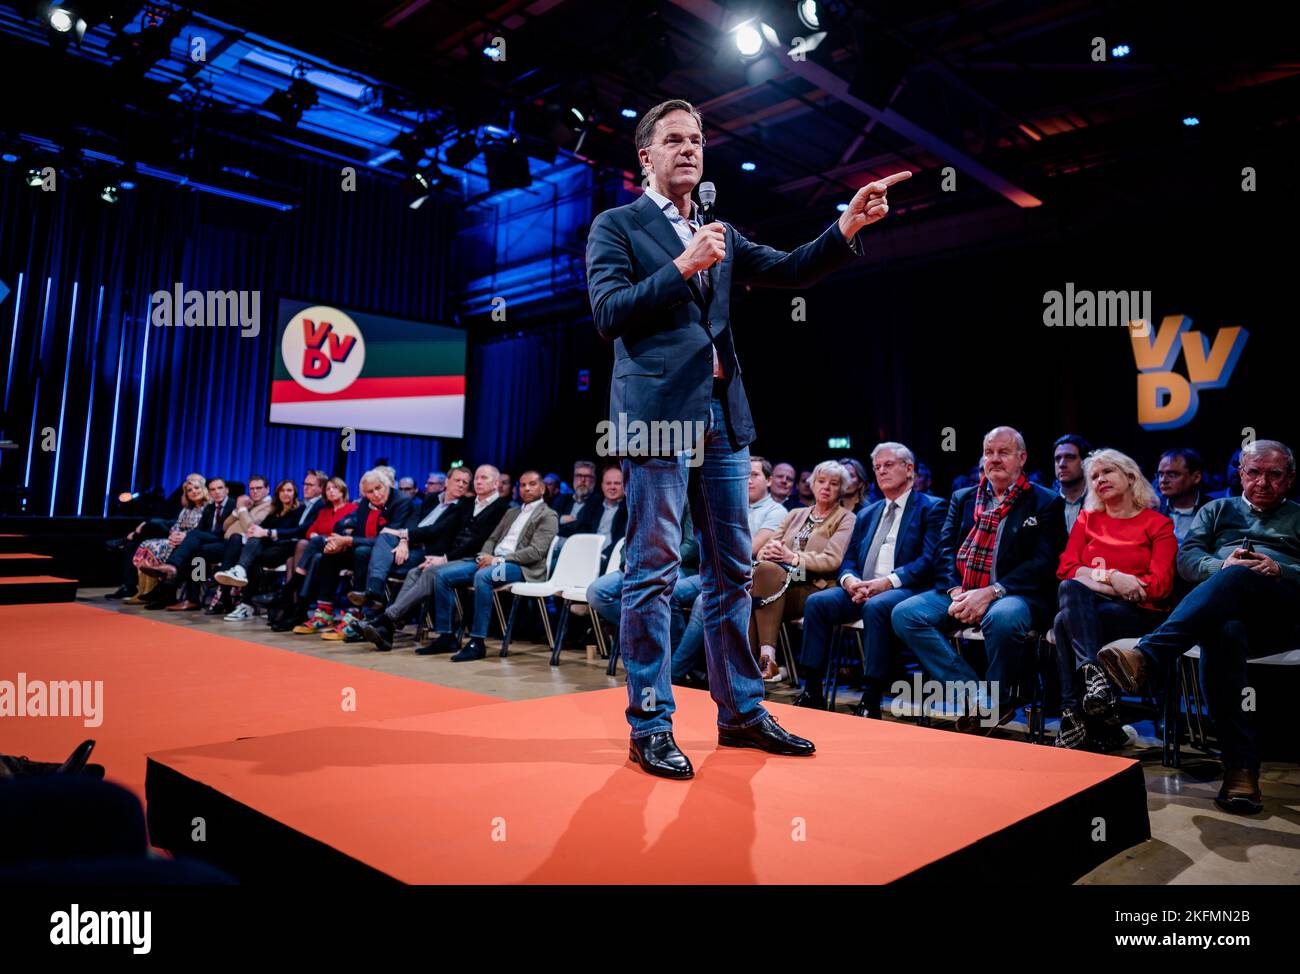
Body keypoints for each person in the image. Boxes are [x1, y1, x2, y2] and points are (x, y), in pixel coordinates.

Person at [585, 95, 908, 778]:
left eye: (696, 139)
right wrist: (681, 268)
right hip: (657, 418)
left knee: (731, 571)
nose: (689, 148)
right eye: (673, 139)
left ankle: (740, 714)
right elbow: (609, 313)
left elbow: (791, 268)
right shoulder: (617, 226)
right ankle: (649, 723)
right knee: (651, 570)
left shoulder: (719, 232)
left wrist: (846, 222)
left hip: (724, 420)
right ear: (646, 156)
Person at [1100, 439, 1300, 814]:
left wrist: (1280, 568)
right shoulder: (1217, 510)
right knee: (1224, 628)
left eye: (1274, 475)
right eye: (1254, 472)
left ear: (1289, 479)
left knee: (1241, 577)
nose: (1263, 482)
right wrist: (1220, 567)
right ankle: (1241, 769)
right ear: (1241, 473)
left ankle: (1148, 654)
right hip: (1228, 616)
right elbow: (1188, 559)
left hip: (1282, 613)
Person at [892, 427, 1067, 731]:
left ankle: (996, 701)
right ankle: (981, 699)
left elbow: (1044, 563)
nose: (995, 459)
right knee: (905, 614)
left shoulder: (1045, 502)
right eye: (989, 452)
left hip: (1016, 594)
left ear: (1022, 458)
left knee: (1003, 618)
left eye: (1004, 452)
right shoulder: (963, 498)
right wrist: (957, 589)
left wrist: (992, 591)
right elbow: (944, 550)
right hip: (962, 588)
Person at [797, 443, 944, 714]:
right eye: (877, 467)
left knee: (876, 607)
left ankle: (871, 697)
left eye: (888, 465)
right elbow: (849, 559)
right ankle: (812, 690)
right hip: (862, 587)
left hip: (906, 588)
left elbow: (928, 561)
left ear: (909, 469)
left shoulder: (931, 508)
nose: (881, 471)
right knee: (817, 602)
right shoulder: (867, 513)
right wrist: (850, 580)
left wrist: (886, 582)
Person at [1052, 449, 1177, 750]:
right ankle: (1095, 688)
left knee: (1062, 621)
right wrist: (1114, 579)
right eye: (1094, 476)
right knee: (1070, 592)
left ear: (1130, 476)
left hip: (1140, 613)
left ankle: (1073, 713)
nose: (1099, 479)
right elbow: (1066, 569)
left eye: (1107, 472)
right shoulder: (1087, 520)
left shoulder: (1157, 524)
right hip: (1092, 610)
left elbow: (1159, 587)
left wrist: (1093, 578)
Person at [421, 471, 558, 662]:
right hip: (492, 561)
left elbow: (536, 552)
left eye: (532, 484)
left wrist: (498, 560)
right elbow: (492, 538)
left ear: (542, 488)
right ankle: (447, 636)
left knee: (483, 576)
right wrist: (485, 555)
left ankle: (477, 642)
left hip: (518, 567)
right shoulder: (512, 512)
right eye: (523, 484)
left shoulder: (548, 515)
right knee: (442, 575)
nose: (527, 488)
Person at [751, 460, 855, 681]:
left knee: (758, 590)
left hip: (814, 586)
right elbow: (764, 551)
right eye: (821, 481)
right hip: (777, 582)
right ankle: (759, 663)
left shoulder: (846, 518)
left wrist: (793, 557)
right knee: (755, 584)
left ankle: (760, 663)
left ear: (842, 488)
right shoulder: (795, 514)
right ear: (812, 484)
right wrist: (767, 552)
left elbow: (832, 560)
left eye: (833, 483)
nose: (826, 487)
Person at [214, 479, 303, 620]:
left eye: (289, 490)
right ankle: (237, 592)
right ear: (277, 493)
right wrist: (254, 528)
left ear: (295, 493)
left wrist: (262, 531)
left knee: (249, 552)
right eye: (282, 490)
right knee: (242, 542)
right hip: (262, 545)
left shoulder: (299, 509)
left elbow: (297, 531)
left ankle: (240, 598)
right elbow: (225, 528)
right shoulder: (275, 511)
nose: (285, 494)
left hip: (285, 547)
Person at [132, 476, 208, 606]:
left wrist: (184, 536)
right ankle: (159, 583)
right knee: (148, 543)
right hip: (181, 540)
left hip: (196, 542)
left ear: (204, 489)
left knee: (181, 551)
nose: (194, 492)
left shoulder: (209, 508)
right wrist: (174, 535)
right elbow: (176, 526)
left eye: (196, 488)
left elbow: (202, 531)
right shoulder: (186, 509)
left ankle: (165, 589)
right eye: (190, 490)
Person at [1156, 448, 1208, 543]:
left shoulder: (1213, 510)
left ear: (1196, 477)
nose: (1163, 480)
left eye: (1172, 475)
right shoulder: (1152, 509)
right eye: (1160, 475)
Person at [1053, 434, 1092, 534]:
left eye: (1069, 457)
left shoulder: (1099, 499)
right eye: (1057, 459)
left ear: (1085, 462)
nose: (1062, 464)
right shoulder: (1046, 502)